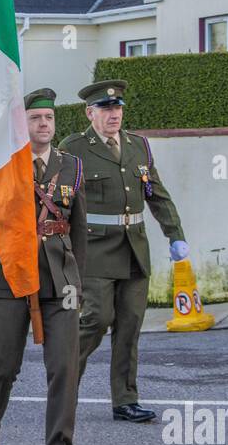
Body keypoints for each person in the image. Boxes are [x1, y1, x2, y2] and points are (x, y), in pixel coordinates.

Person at [0, 89, 91, 445]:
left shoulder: (71, 167)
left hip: (60, 278)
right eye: (35, 118)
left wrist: (78, 283)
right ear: (23, 124)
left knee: (64, 368)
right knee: (3, 365)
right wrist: (9, 198)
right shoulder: (2, 165)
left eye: (48, 118)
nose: (43, 124)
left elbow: (80, 231)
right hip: (9, 276)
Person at [60, 80, 187, 424]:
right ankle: (64, 388)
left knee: (130, 325)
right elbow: (62, 201)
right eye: (105, 109)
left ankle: (125, 400)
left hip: (134, 246)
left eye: (117, 109)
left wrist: (175, 234)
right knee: (97, 319)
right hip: (94, 248)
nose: (113, 114)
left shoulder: (138, 146)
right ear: (90, 113)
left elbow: (156, 194)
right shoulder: (73, 148)